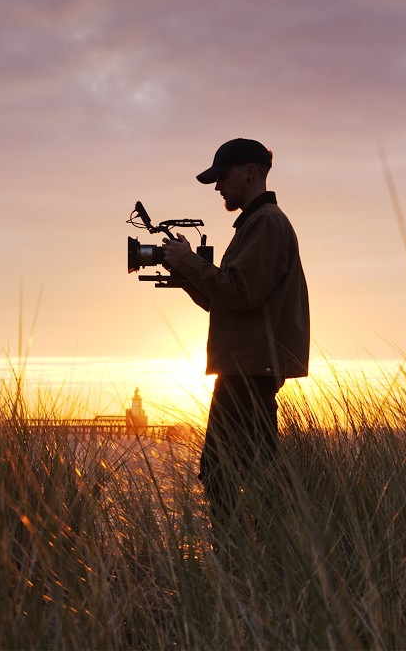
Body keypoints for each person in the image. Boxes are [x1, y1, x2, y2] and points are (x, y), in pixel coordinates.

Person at [161, 138, 311, 524]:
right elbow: (224, 299)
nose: (217, 187)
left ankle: (237, 551)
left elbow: (241, 292)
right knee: (256, 468)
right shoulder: (256, 223)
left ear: (249, 172)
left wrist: (191, 263)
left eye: (222, 176)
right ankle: (275, 543)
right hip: (248, 365)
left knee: (220, 471)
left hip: (249, 366)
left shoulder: (265, 223)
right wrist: (186, 271)